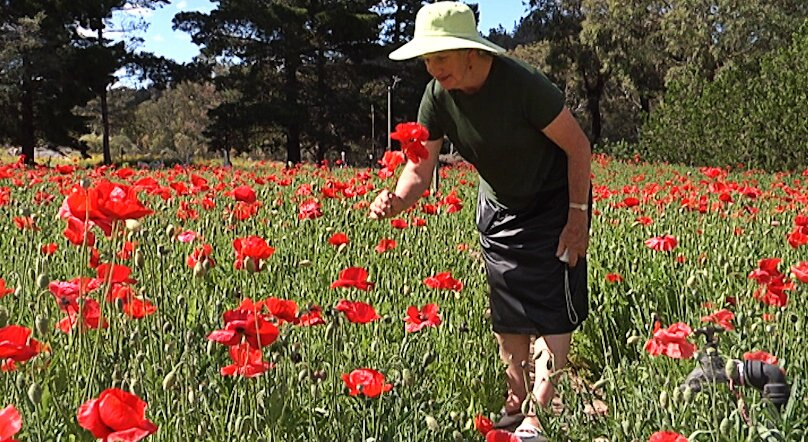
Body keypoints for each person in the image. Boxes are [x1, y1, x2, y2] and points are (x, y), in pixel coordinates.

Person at [368, 2, 592, 441]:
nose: (433, 68)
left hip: (554, 202)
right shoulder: (437, 97)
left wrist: (576, 217)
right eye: (427, 60)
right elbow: (420, 169)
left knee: (549, 310)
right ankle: (516, 400)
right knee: (508, 312)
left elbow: (579, 147)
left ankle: (540, 417)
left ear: (470, 51)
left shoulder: (522, 84)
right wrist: (395, 199)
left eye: (441, 58)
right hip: (500, 206)